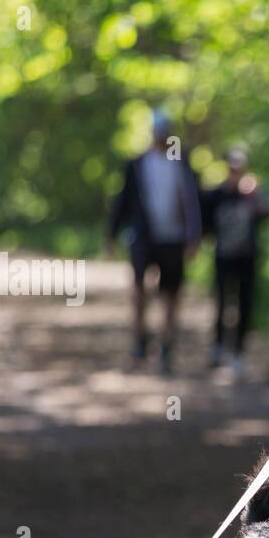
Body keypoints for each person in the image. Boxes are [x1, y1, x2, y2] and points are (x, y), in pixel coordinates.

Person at [107, 107, 202, 374]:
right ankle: (140, 338)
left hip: (173, 239)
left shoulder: (181, 164)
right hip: (143, 237)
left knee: (171, 294)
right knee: (139, 290)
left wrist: (194, 236)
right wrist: (111, 235)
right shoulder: (137, 164)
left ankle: (166, 347)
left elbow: (193, 203)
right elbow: (122, 201)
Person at [201, 144, 269, 375]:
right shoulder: (217, 194)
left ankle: (238, 352)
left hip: (247, 257)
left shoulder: (253, 192)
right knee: (222, 302)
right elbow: (205, 222)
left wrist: (253, 195)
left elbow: (267, 214)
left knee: (245, 303)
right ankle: (218, 348)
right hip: (223, 256)